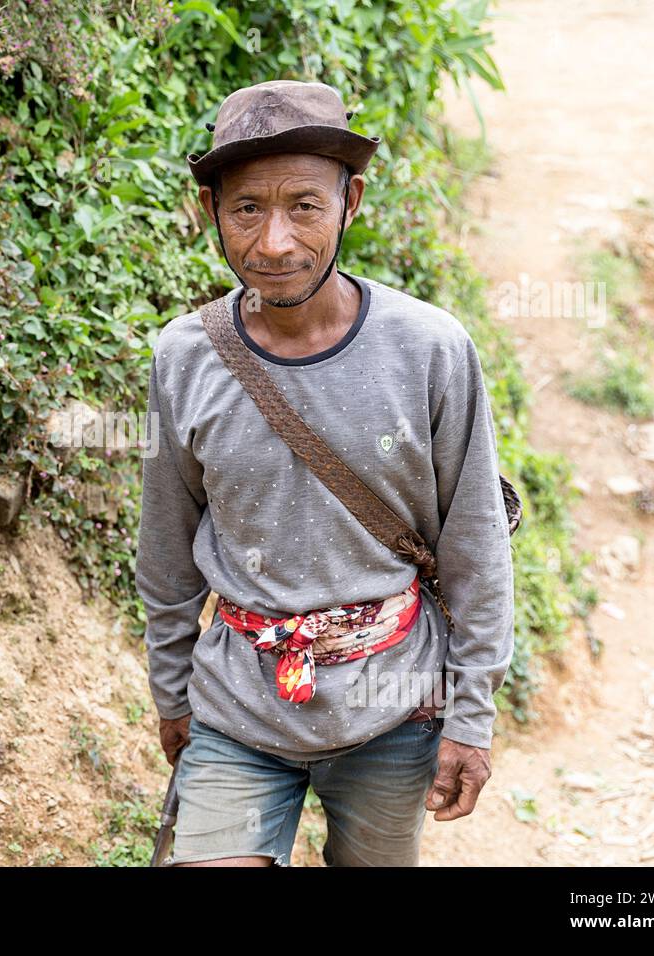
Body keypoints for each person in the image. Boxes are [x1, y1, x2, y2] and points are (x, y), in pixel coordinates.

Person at [136, 79, 515, 866]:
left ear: (352, 203)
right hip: (237, 710)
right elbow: (167, 549)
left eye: (304, 206)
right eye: (247, 209)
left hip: (394, 708)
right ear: (210, 211)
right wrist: (172, 691)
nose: (273, 242)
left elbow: (477, 542)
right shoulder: (184, 358)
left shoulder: (431, 350)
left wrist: (471, 717)